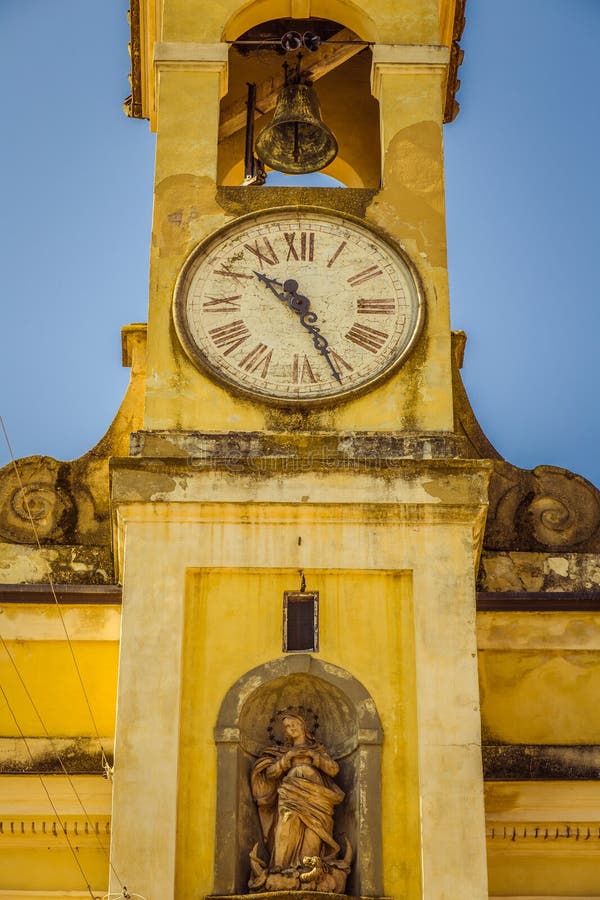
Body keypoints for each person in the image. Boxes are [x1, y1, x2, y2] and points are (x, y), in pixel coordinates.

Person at [250, 712, 344, 872]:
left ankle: (308, 869)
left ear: (303, 726)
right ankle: (279, 866)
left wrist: (313, 755)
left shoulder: (318, 749)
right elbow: (270, 773)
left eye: (294, 724)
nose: (291, 728)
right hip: (290, 790)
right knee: (286, 822)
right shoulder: (282, 752)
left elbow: (334, 769)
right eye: (287, 726)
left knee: (314, 828)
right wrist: (287, 758)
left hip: (317, 794)